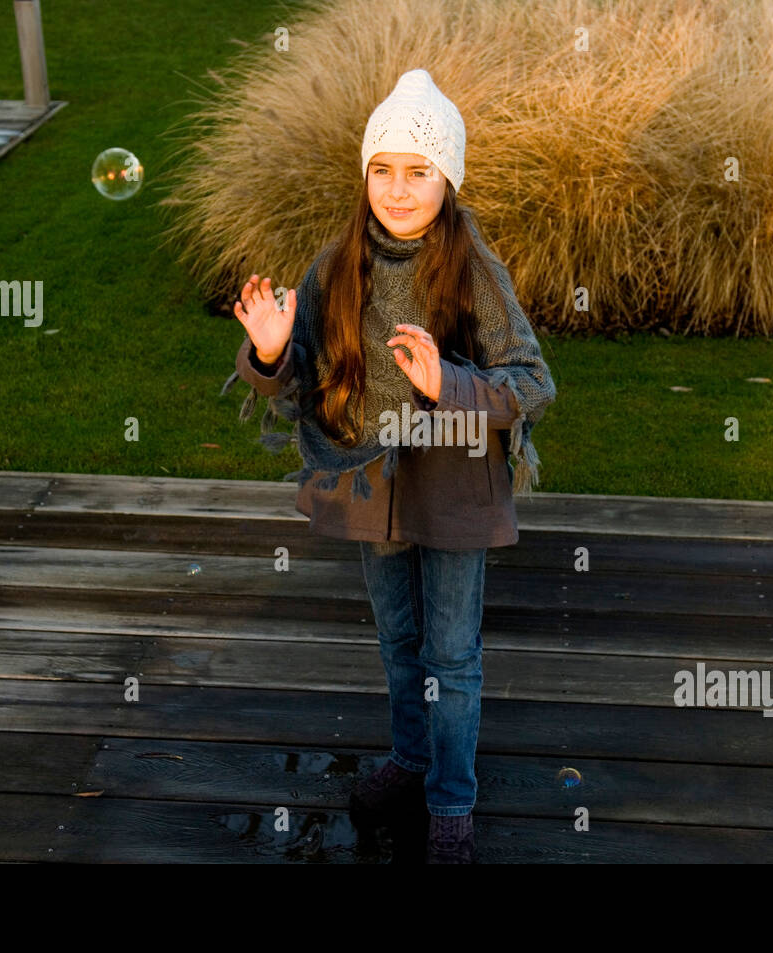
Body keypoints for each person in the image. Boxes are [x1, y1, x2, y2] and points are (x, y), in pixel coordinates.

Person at [223, 68, 556, 863]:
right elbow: (306, 372)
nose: (399, 191)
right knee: (399, 638)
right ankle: (410, 758)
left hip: (452, 490)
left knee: (451, 651)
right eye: (383, 170)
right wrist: (270, 350)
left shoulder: (472, 266)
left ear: (447, 179)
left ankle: (450, 798)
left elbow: (532, 382)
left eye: (419, 173)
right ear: (364, 174)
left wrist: (451, 383)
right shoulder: (337, 264)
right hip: (370, 485)